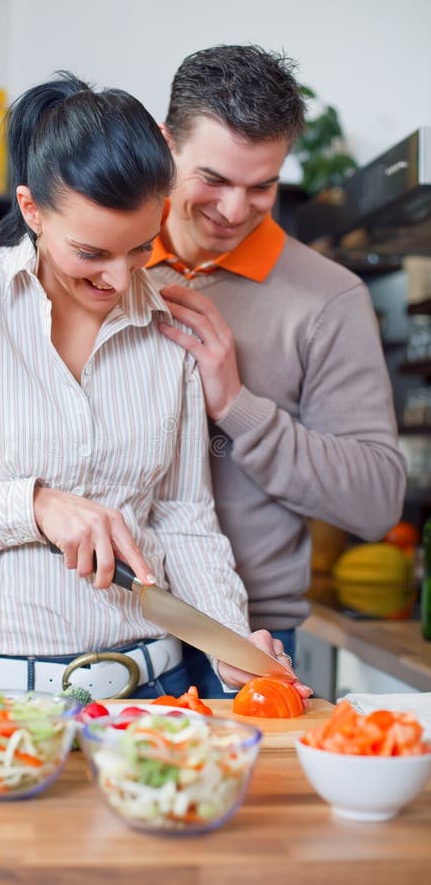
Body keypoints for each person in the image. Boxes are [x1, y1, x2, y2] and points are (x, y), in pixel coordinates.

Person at [0, 72, 307, 701]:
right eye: (91, 252)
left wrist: (229, 641)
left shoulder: (170, 320)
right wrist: (32, 506)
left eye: (140, 248)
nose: (120, 279)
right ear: (32, 210)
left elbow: (184, 516)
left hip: (154, 687)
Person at [146, 45, 406, 696]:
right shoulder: (100, 262)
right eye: (213, 178)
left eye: (260, 185)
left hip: (248, 644)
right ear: (163, 144)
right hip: (101, 629)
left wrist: (235, 405)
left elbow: (376, 502)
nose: (234, 210)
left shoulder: (329, 299)